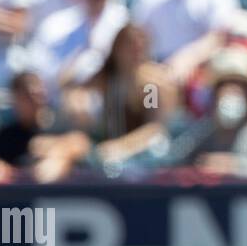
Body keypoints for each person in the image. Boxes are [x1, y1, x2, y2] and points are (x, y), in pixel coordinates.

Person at [61, 24, 178, 174]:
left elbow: (153, 129)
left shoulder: (150, 86)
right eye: (130, 47)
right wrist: (76, 100)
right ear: (117, 49)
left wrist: (121, 146)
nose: (136, 52)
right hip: (111, 149)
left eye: (140, 47)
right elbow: (69, 85)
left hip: (143, 155)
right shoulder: (108, 78)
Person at [174, 45, 247, 179]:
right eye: (224, 87)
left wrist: (234, 166)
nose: (231, 93)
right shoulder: (206, 128)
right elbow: (177, 159)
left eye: (239, 87)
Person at [27, 0, 128, 98]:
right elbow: (36, 72)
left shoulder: (123, 25)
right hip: (60, 105)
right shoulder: (56, 24)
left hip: (111, 104)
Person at [0, 71, 90, 184]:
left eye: (40, 94)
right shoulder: (7, 134)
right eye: (29, 96)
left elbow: (80, 142)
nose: (37, 101)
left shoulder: (59, 123)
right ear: (16, 99)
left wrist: (60, 154)